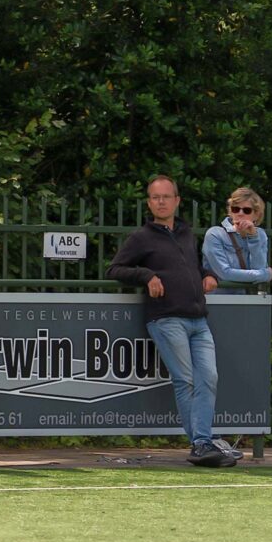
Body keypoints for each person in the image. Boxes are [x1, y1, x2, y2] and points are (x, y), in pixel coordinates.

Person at [106, 175, 235, 467]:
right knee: (186, 380)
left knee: (209, 378)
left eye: (166, 196)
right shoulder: (142, 237)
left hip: (198, 319)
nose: (161, 201)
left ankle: (203, 443)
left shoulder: (186, 233)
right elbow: (114, 269)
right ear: (149, 203)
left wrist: (207, 275)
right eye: (155, 197)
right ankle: (202, 444)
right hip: (165, 318)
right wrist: (147, 275)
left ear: (177, 201)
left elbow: (191, 264)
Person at [204, 187, 272, 293]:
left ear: (256, 215)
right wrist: (265, 274)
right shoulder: (215, 234)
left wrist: (253, 238)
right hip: (218, 300)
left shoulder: (260, 235)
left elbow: (258, 267)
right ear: (230, 212)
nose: (240, 213)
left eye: (246, 210)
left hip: (248, 301)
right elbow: (224, 273)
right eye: (235, 209)